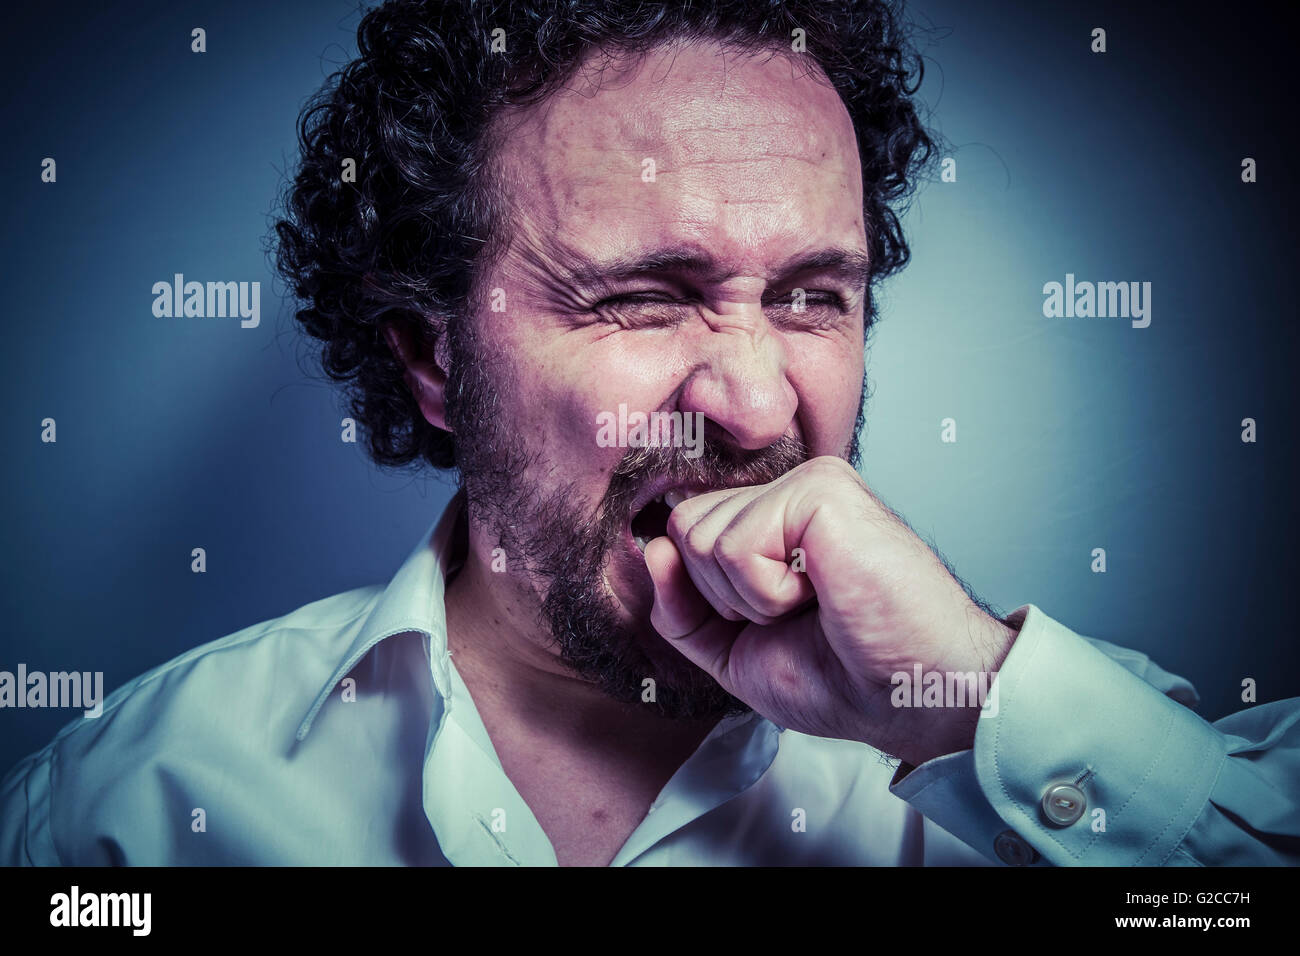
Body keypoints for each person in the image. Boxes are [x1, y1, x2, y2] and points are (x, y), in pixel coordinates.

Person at [3, 0, 1297, 867]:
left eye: (809, 297)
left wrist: (964, 709)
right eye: (641, 297)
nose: (752, 401)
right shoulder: (124, 813)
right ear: (430, 358)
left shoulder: (1088, 775)